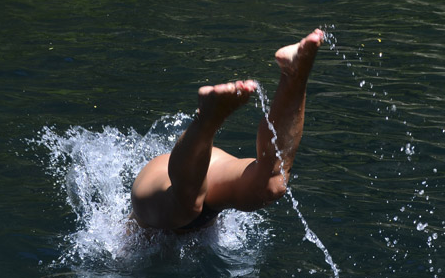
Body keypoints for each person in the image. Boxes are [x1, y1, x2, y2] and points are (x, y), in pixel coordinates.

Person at [130, 29, 324, 232]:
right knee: (187, 206)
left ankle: (294, 74)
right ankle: (208, 120)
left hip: (182, 178)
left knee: (271, 185)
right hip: (159, 192)